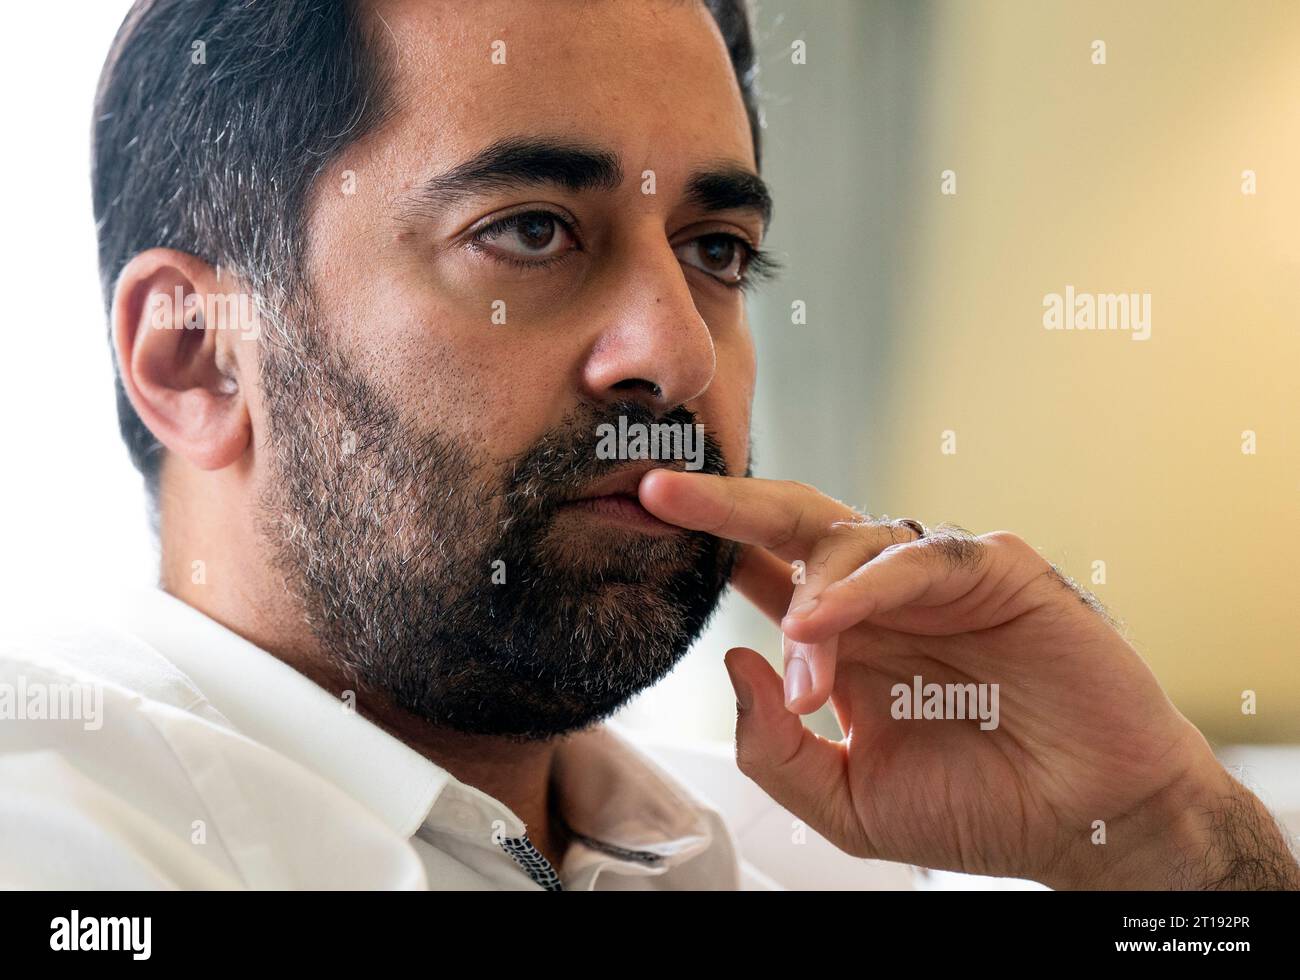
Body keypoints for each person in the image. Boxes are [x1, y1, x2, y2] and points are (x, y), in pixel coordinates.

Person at [1, 0, 1295, 890]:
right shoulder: (51, 840)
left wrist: (1167, 829)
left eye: (717, 253)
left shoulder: (821, 847)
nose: (677, 355)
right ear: (197, 356)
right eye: (531, 231)